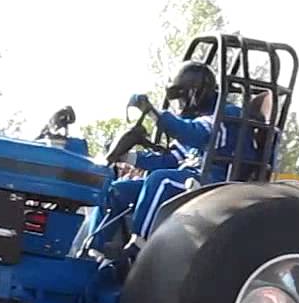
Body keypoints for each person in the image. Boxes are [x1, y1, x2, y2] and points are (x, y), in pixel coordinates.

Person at [99, 60, 243, 251]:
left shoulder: (227, 114)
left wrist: (153, 113)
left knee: (161, 180)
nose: (179, 105)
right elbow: (171, 159)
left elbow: (194, 133)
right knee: (116, 190)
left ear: (195, 93)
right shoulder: (199, 119)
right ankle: (94, 251)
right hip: (191, 176)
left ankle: (139, 245)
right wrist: (126, 156)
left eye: (181, 98)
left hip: (213, 180)